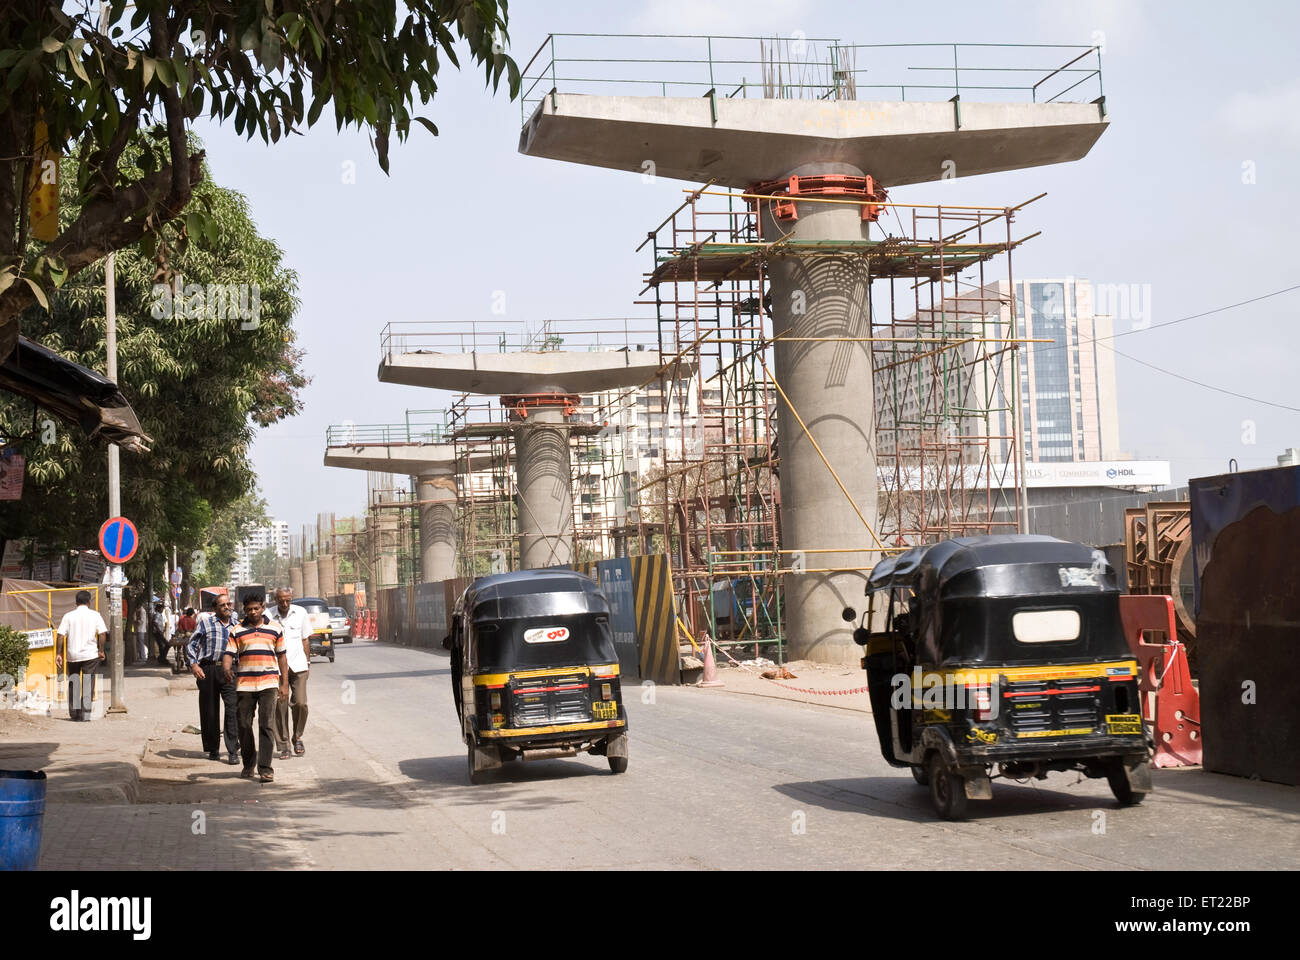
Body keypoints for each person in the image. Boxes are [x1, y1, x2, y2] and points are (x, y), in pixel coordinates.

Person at [221, 595, 288, 783]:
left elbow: (282, 657)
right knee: (243, 724)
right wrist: (226, 668)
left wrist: (284, 684)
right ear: (244, 610)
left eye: (256, 609)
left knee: (266, 724)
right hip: (245, 684)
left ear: (263, 607)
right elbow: (228, 654)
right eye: (249, 609)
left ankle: (265, 768)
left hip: (269, 683)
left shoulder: (275, 629)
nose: (252, 612)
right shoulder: (237, 631)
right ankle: (248, 763)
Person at [185, 595, 241, 763]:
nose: (226, 607)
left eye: (228, 604)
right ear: (215, 608)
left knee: (232, 709)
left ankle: (232, 750)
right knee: (210, 709)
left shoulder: (237, 625)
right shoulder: (206, 623)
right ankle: (213, 748)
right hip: (209, 668)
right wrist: (194, 665)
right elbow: (191, 644)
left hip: (231, 670)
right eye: (222, 605)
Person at [266, 587, 311, 760]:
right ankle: (284, 744)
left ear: (291, 598)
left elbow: (305, 639)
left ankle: (297, 736)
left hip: (298, 666)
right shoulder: (268, 616)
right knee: (279, 706)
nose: (284, 604)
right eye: (281, 601)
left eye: (288, 600)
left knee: (301, 703)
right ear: (275, 600)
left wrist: (307, 663)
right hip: (276, 668)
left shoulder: (300, 612)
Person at [55, 591, 108, 721]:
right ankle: (85, 714)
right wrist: (101, 651)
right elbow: (102, 634)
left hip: (72, 655)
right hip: (90, 655)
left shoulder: (68, 616)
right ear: (89, 601)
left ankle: (74, 714)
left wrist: (59, 653)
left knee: (74, 683)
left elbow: (60, 635)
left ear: (76, 602)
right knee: (88, 683)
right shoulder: (95, 615)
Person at [150, 601, 171, 666]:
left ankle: (162, 658)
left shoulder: (159, 615)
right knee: (166, 645)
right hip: (158, 633)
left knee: (163, 646)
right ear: (159, 609)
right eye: (162, 609)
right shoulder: (157, 615)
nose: (162, 610)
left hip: (159, 632)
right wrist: (159, 630)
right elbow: (155, 622)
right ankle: (161, 658)